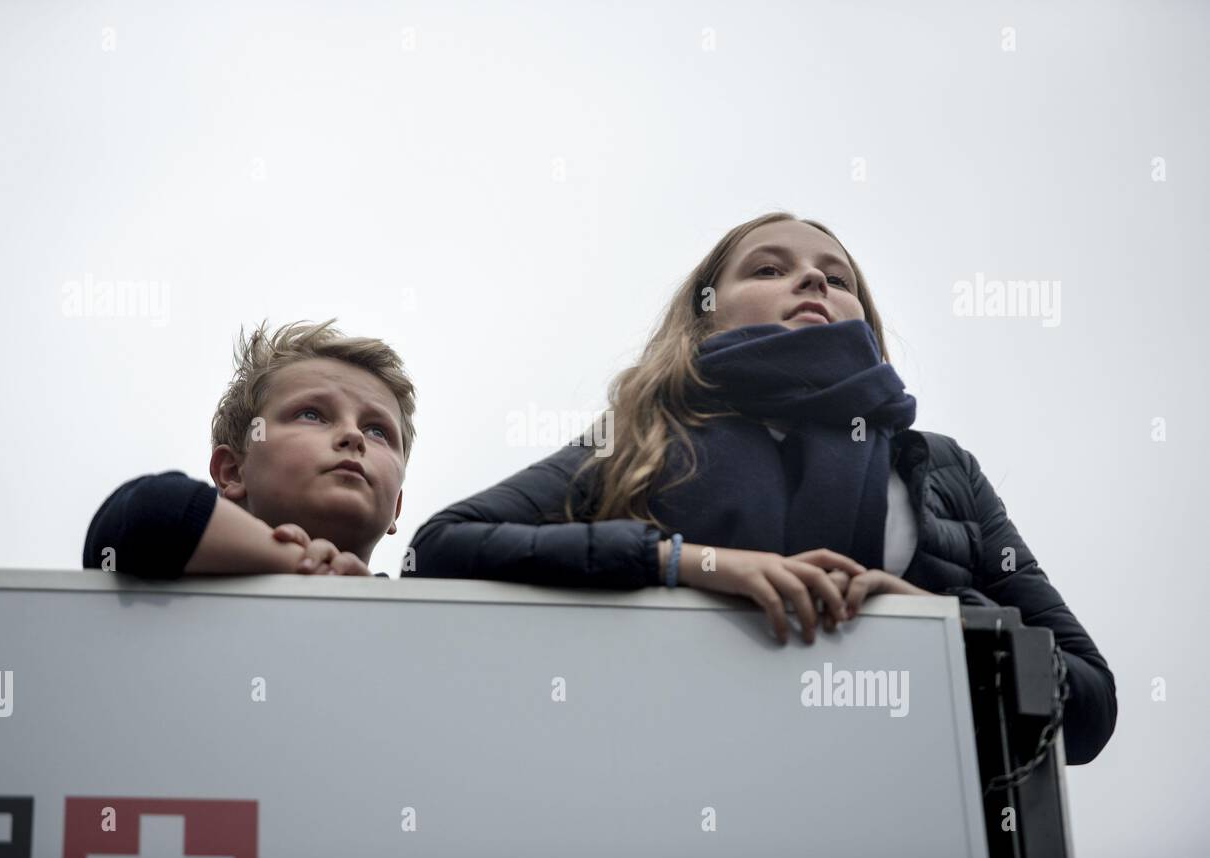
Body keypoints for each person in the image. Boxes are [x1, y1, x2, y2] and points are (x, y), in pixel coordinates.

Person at [402, 211, 1116, 765]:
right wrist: (692, 563)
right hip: (659, 782)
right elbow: (442, 547)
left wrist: (931, 616)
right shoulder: (638, 437)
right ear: (707, 309)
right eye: (771, 268)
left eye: (838, 279)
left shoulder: (941, 466)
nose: (813, 282)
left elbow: (1089, 704)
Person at [83, 319, 415, 579]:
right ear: (232, 471)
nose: (353, 435)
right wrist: (303, 564)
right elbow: (144, 513)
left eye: (377, 431)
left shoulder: (421, 622)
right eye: (311, 414)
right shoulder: (187, 592)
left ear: (397, 504)